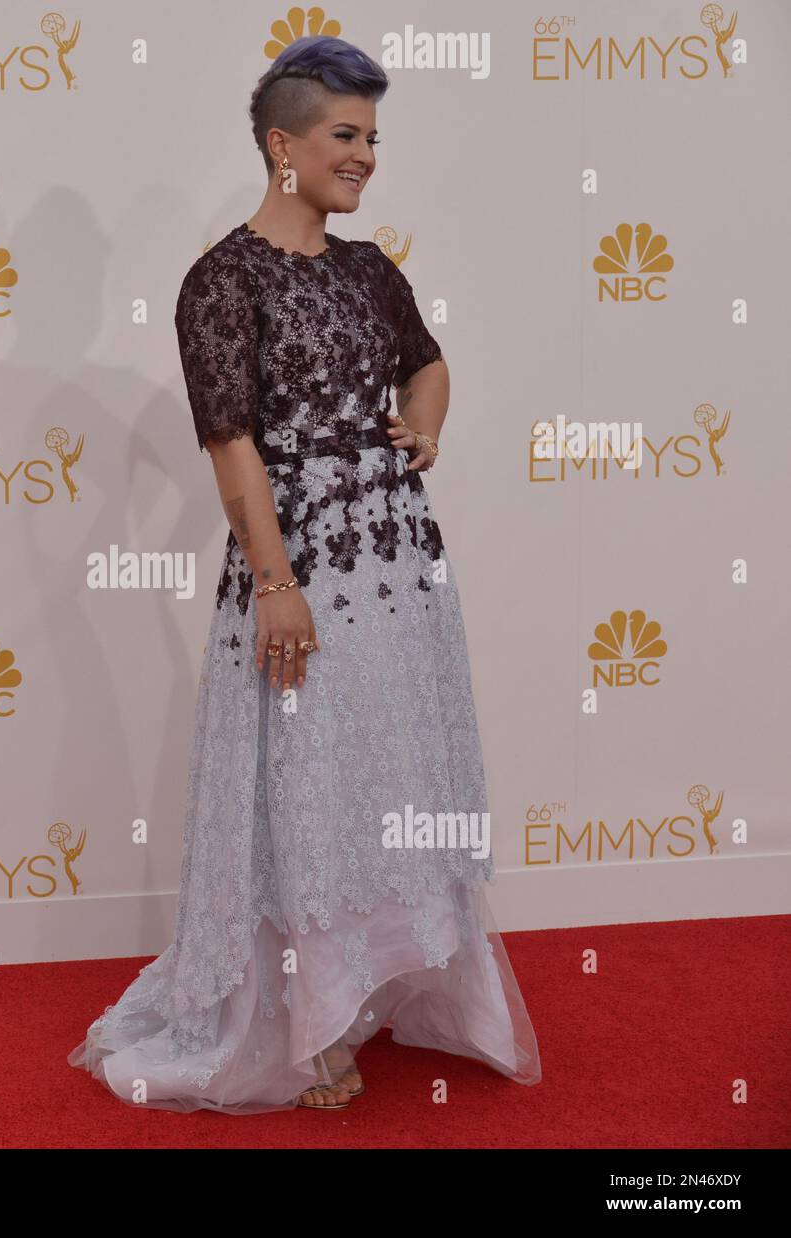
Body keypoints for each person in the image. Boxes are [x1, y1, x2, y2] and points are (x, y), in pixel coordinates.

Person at [68, 35, 541, 1113]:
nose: (365, 155)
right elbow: (230, 443)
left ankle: (398, 985)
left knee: (395, 780)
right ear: (282, 145)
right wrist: (275, 580)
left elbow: (425, 361)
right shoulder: (221, 281)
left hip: (398, 566)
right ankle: (302, 1020)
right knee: (308, 793)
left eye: (372, 136)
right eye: (344, 134)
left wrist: (421, 425)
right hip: (302, 570)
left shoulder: (372, 270)